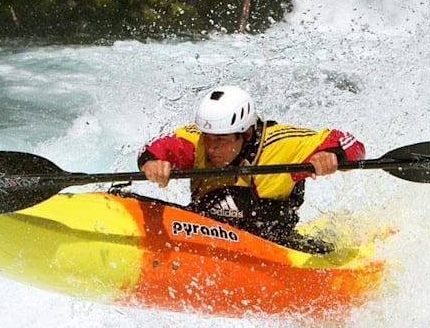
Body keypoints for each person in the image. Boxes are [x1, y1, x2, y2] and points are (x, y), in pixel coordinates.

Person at [138, 85, 365, 254]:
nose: (212, 147)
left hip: (274, 243)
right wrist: (151, 162)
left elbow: (349, 144)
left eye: (221, 140)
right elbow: (155, 148)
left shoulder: (281, 144)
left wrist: (331, 155)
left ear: (246, 134)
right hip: (205, 235)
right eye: (208, 138)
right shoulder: (197, 140)